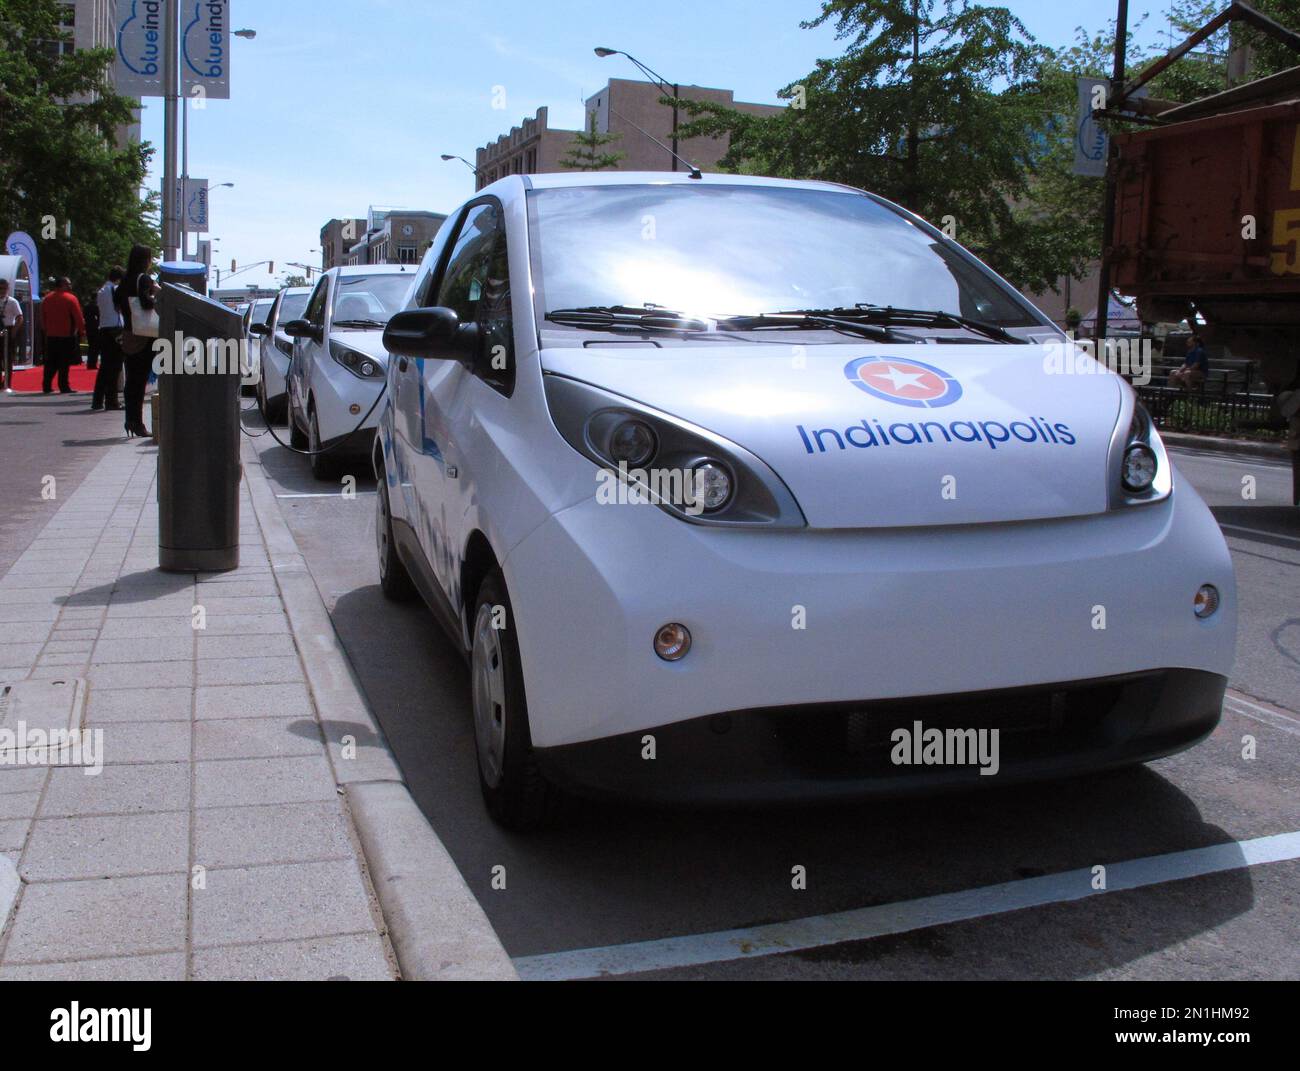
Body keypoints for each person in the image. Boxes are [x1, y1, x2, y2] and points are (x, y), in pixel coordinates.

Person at [115, 245, 156, 437]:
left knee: (131, 380)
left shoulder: (124, 280)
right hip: (144, 335)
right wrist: (154, 294)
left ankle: (130, 420)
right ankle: (138, 423)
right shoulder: (144, 279)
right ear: (145, 260)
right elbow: (147, 304)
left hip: (129, 333)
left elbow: (118, 303)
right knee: (140, 381)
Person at [39, 277, 85, 394]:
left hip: (51, 335)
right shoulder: (71, 298)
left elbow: (42, 317)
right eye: (68, 284)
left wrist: (46, 330)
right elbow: (78, 317)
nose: (70, 286)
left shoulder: (47, 299)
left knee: (51, 362)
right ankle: (63, 385)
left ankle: (46, 385)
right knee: (64, 362)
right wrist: (82, 331)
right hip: (67, 335)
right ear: (63, 284)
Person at [92, 267, 125, 411]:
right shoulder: (115, 289)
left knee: (105, 367)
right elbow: (120, 308)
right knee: (115, 367)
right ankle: (112, 401)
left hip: (104, 329)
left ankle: (97, 400)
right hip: (116, 329)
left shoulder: (102, 291)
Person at [0, 277, 23, 394]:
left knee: (7, 359)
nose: (3, 291)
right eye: (1, 288)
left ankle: (7, 383)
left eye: (5, 288)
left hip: (8, 330)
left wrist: (14, 331)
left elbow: (20, 317)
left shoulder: (12, 301)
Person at [83, 294, 100, 370]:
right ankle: (93, 363)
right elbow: (99, 317)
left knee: (91, 346)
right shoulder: (96, 307)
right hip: (95, 328)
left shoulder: (86, 307)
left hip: (88, 328)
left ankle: (90, 363)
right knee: (95, 347)